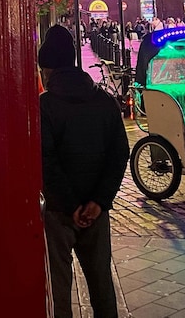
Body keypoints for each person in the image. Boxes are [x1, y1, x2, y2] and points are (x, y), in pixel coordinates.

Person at [38, 25, 128, 318]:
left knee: (59, 285)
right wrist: (98, 201)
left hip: (59, 212)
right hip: (96, 210)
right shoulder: (104, 101)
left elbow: (46, 160)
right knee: (101, 282)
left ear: (47, 70)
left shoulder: (45, 106)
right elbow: (119, 154)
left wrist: (70, 204)